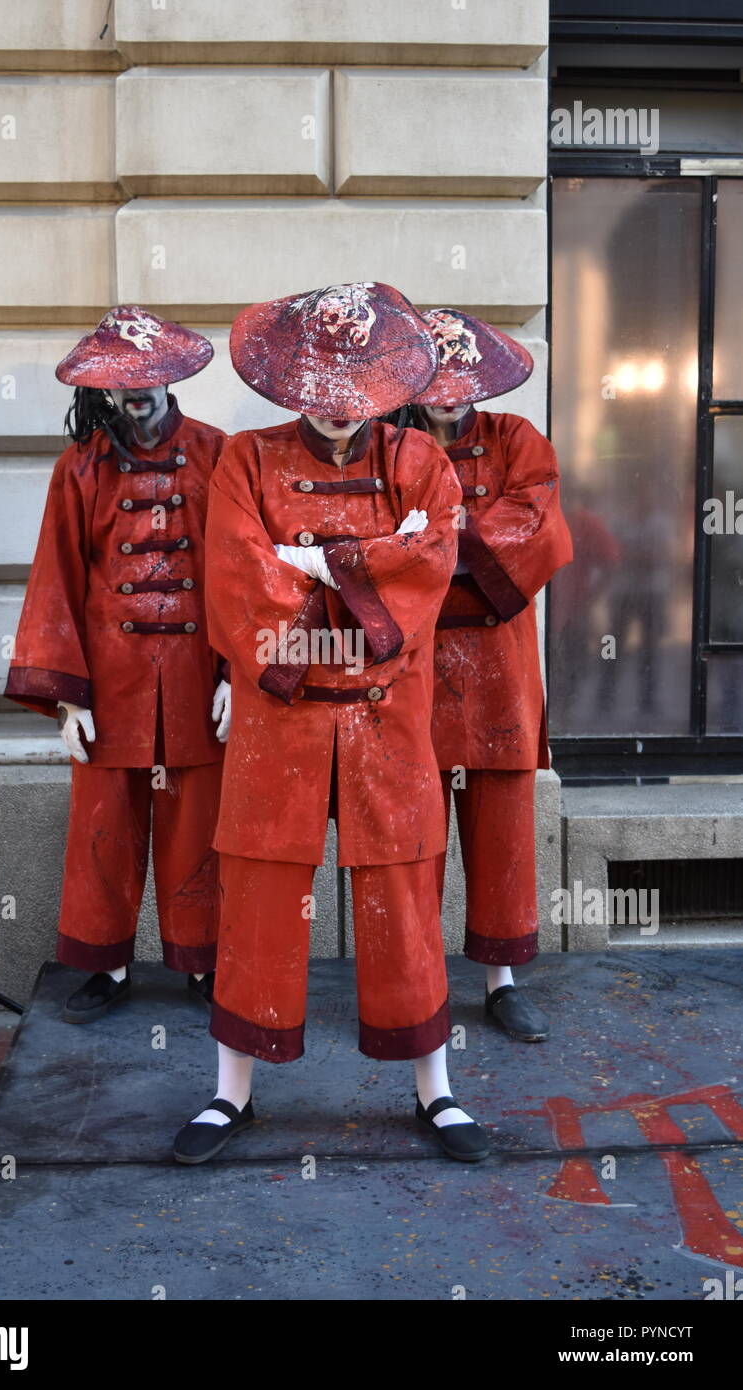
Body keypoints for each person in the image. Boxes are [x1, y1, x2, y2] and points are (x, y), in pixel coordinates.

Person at [173, 281, 491, 1165]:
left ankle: (438, 1090)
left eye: (356, 393)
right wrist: (366, 564)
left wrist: (311, 559)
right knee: (259, 895)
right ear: (296, 382)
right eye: (322, 391)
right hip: (281, 721)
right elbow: (238, 584)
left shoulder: (423, 462)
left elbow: (431, 567)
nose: (338, 412)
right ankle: (229, 1092)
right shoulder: (244, 459)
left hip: (391, 722)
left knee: (406, 895)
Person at [5, 306, 230, 1022]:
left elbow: (240, 574)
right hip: (111, 681)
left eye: (149, 375)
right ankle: (111, 967)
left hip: (197, 675)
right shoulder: (80, 468)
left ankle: (201, 963)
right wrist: (66, 695)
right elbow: (56, 576)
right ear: (103, 388)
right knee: (104, 828)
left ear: (171, 377)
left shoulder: (222, 454)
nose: (139, 389)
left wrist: (237, 675)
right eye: (124, 379)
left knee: (197, 823)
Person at [406, 309, 573, 1041]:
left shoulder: (518, 442)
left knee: (503, 826)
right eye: (433, 378)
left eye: (459, 378)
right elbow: (375, 545)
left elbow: (534, 529)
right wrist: (453, 552)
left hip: (500, 671)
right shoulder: (392, 446)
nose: (446, 393)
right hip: (413, 668)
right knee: (413, 829)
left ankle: (502, 982)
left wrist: (436, 546)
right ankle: (417, 977)